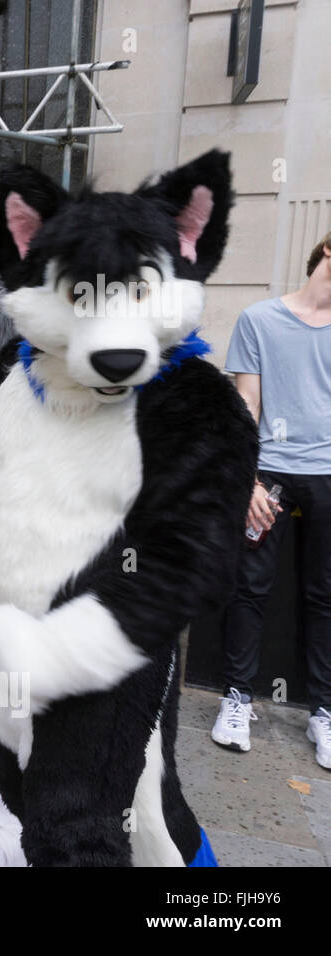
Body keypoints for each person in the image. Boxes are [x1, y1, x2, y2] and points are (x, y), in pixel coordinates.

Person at [213, 231, 331, 770]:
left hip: (328, 475)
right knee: (250, 587)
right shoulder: (259, 319)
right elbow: (246, 404)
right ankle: (237, 700)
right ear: (327, 251)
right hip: (273, 473)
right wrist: (248, 480)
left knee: (325, 594)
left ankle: (323, 713)